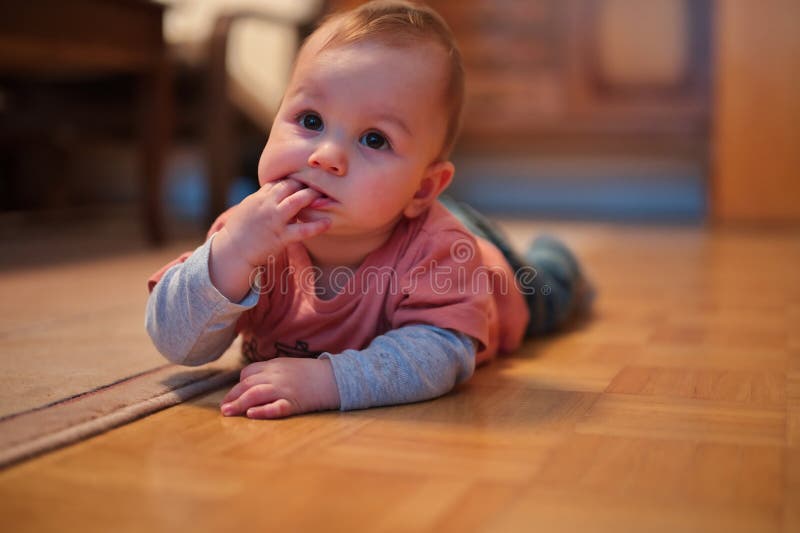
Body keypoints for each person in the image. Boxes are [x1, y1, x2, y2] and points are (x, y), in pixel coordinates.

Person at [145, 0, 591, 420]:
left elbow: (439, 353)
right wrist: (230, 256)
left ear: (424, 187)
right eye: (310, 120)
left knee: (549, 292)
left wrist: (328, 381)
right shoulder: (247, 234)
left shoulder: (441, 251)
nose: (326, 155)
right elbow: (176, 343)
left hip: (493, 275)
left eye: (374, 139)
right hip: (394, 211)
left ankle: (556, 257)